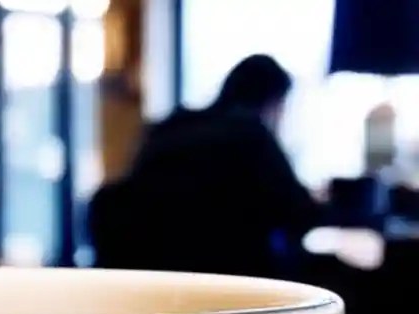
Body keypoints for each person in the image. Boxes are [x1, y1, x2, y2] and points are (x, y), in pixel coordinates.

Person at [89, 54, 322, 277]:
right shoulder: (250, 134)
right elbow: (300, 215)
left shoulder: (170, 126)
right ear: (273, 102)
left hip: (152, 276)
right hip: (233, 283)